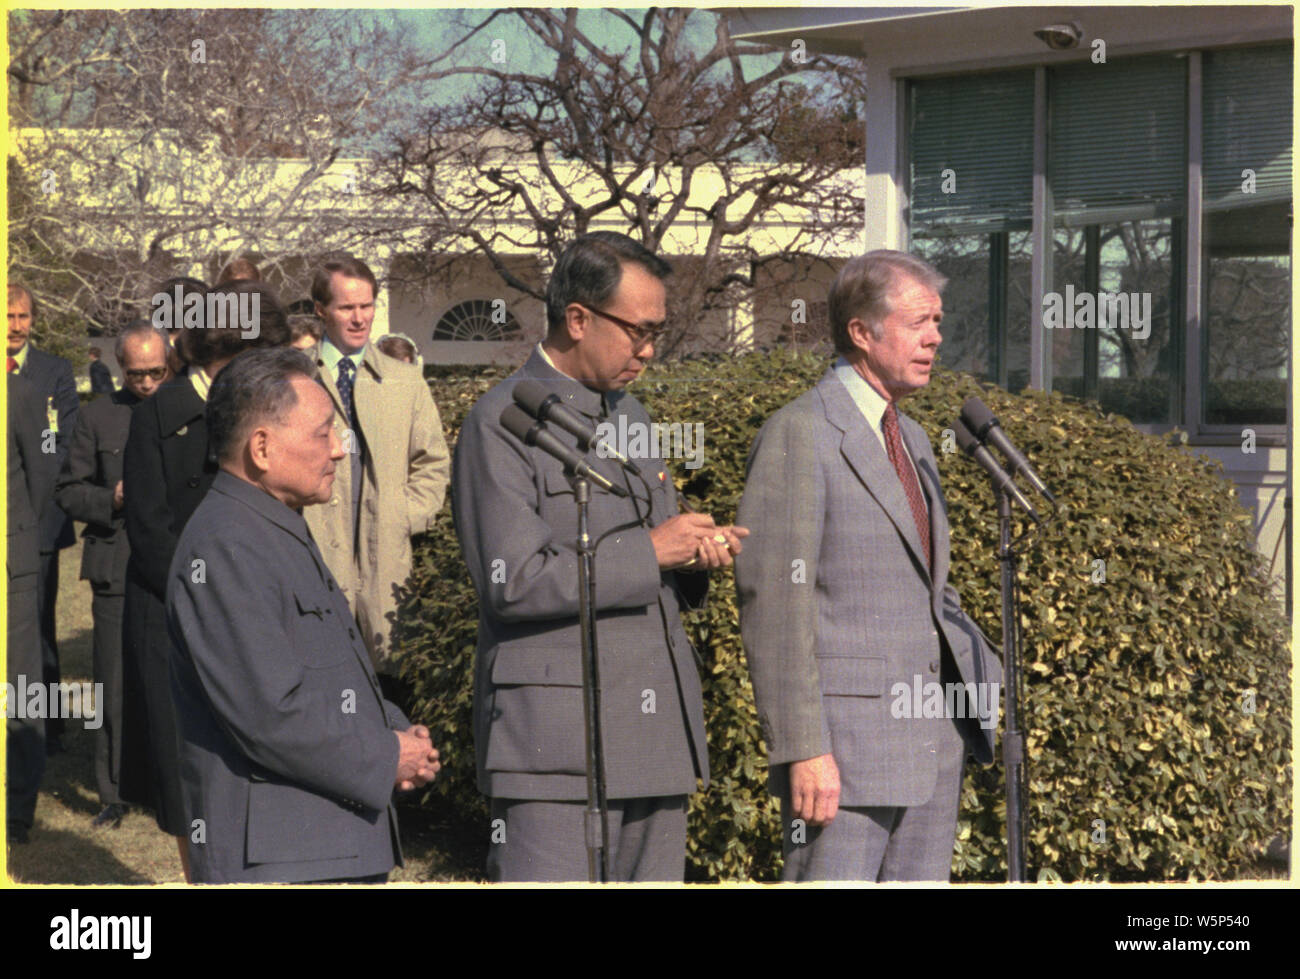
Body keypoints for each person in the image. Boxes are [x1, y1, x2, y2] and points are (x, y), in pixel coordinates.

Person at [452, 232, 748, 882]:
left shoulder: (631, 413)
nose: (648, 350)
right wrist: (651, 550)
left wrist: (691, 552)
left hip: (653, 731)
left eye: (656, 333)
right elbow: (514, 580)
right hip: (554, 746)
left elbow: (651, 556)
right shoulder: (500, 422)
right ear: (578, 318)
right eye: (637, 331)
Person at [734, 250, 1002, 882]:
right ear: (861, 331)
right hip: (844, 759)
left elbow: (933, 591)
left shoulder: (910, 437)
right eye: (918, 322)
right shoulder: (800, 433)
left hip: (933, 744)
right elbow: (775, 604)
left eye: (938, 320)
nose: (936, 337)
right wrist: (803, 750)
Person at [167, 347, 439, 883]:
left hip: (318, 844)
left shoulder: (271, 524)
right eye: (322, 434)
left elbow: (328, 675)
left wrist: (397, 732)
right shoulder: (228, 545)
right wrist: (386, 755)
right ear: (262, 447)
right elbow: (271, 713)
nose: (339, 450)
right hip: (283, 859)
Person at [121, 279, 289, 876]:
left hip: (249, 619)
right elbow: (149, 532)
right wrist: (209, 605)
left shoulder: (257, 413)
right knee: (190, 787)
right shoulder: (158, 415)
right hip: (176, 622)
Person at [302, 258, 449, 681]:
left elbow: (433, 463)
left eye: (367, 306)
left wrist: (403, 517)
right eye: (347, 308)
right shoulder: (293, 377)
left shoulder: (405, 382)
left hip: (387, 566)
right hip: (315, 562)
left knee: (389, 689)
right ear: (320, 310)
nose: (360, 317)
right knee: (322, 683)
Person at [55, 323, 172, 829]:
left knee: (173, 680)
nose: (146, 383)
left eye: (156, 373)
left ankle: (168, 782)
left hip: (174, 566)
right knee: (112, 682)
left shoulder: (188, 410)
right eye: (136, 373)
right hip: (116, 565)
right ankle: (114, 791)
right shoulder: (96, 416)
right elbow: (69, 490)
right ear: (120, 368)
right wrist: (112, 499)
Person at [7, 283, 79, 754]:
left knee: (38, 625)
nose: (15, 327)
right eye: (7, 317)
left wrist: (40, 448)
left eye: (23, 317)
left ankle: (46, 727)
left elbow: (59, 440)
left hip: (41, 519)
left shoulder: (53, 371)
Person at [7, 370, 56, 845]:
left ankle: (18, 808)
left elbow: (43, 474)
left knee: (20, 686)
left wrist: (21, 543)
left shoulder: (22, 392)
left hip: (11, 564)